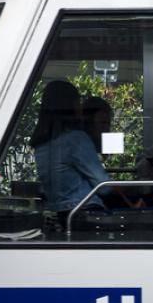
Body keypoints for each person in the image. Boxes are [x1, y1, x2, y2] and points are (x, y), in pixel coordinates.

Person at [30, 80, 110, 223]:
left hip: (63, 214)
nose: (80, 107)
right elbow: (104, 187)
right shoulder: (76, 138)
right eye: (78, 101)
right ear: (68, 105)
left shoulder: (41, 143)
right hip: (87, 210)